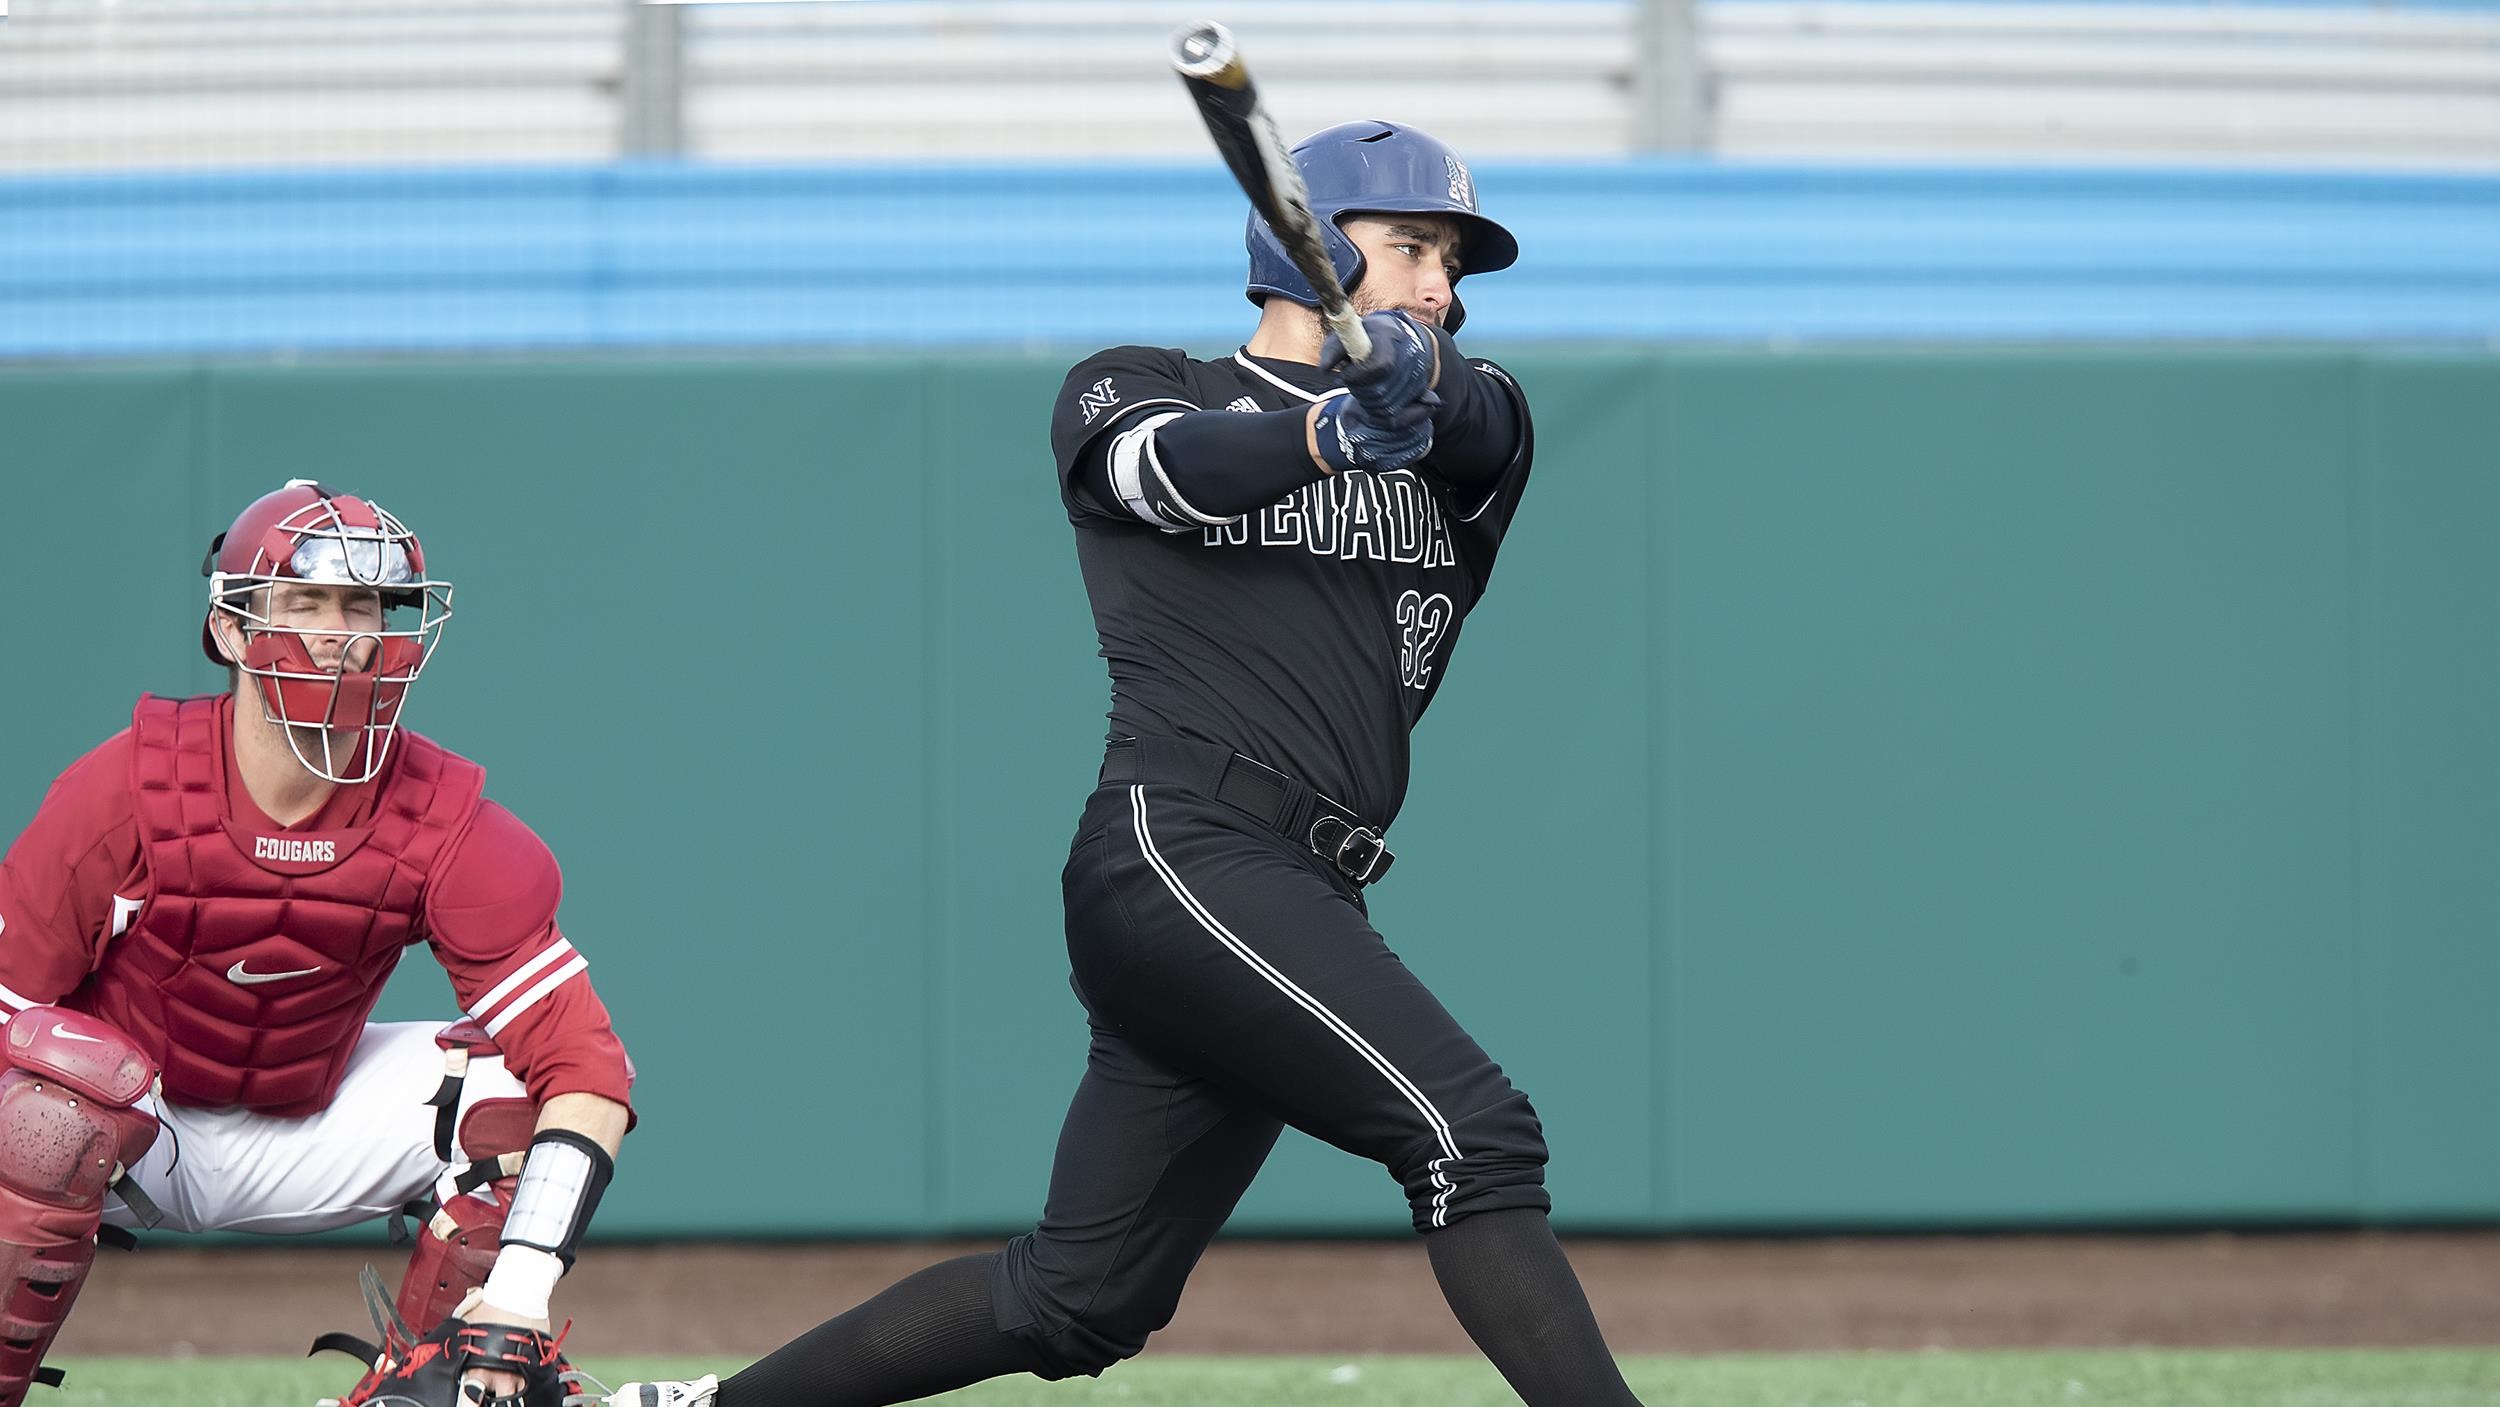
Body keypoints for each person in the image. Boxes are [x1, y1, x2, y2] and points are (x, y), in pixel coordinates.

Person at [599, 120, 1641, 1407]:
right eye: (1411, 245)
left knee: (1079, 1298)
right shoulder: (1143, 383)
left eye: (1454, 262)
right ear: (1299, 248)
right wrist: (1323, 434)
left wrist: (1397, 371)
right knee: (1472, 1136)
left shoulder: (1476, 434)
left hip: (1300, 888)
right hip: (1181, 848)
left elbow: (1468, 410)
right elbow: (1161, 474)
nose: (1442, 282)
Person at [0, 480, 634, 1406]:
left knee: (512, 1088)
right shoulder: (126, 789)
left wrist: (523, 1288)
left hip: (311, 1116)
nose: (345, 633)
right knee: (45, 1096)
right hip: (128, 1130)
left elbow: (589, 1070)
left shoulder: (445, 819)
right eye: (307, 602)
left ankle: (440, 1386)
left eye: (365, 605)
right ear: (229, 630)